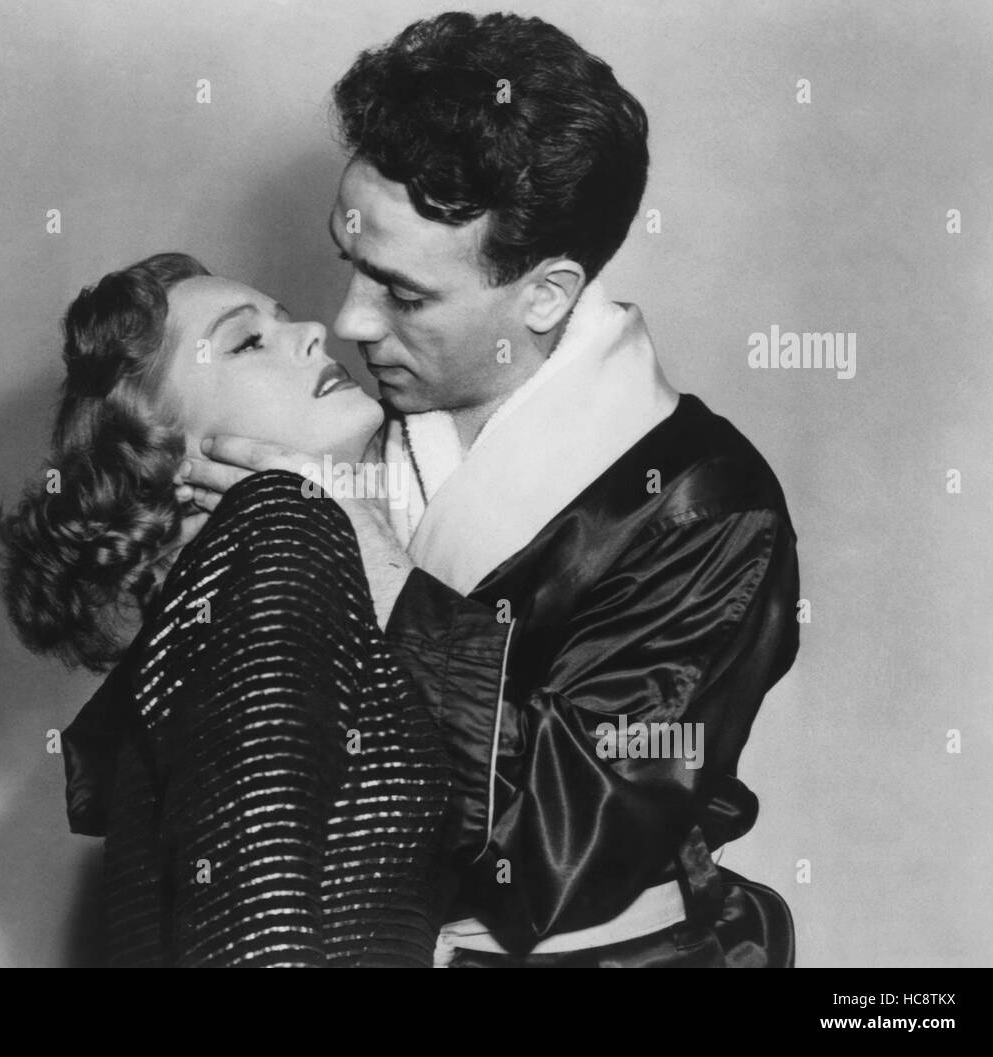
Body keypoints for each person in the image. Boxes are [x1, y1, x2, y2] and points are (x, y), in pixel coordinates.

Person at [180, 12, 802, 967]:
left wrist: (365, 564)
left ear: (546, 294)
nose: (349, 321)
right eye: (351, 267)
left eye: (405, 293)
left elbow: (574, 825)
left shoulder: (709, 507)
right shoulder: (336, 429)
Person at [0, 252, 449, 966]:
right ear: (169, 463)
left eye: (280, 318)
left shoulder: (210, 618)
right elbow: (257, 938)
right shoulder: (283, 528)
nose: (312, 333)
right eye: (247, 341)